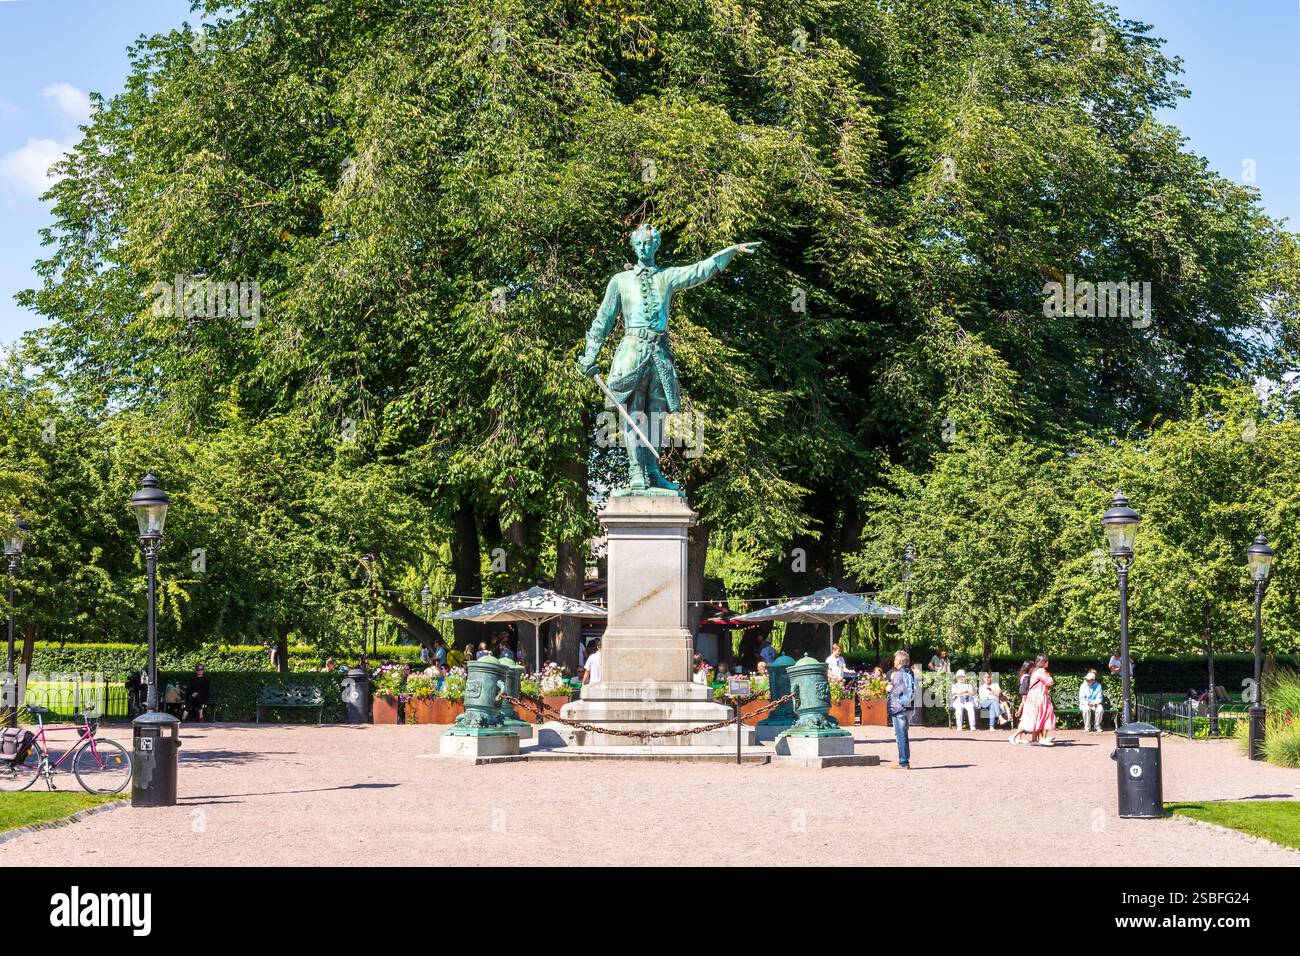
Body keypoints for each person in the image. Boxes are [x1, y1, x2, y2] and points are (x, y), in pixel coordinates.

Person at [1013, 654, 1056, 745]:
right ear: (1043, 662)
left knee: (1038, 716)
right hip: (1039, 697)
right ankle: (1042, 738)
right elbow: (1049, 682)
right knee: (1046, 714)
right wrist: (1049, 677)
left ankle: (1035, 740)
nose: (1048, 663)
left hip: (1035, 696)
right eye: (1047, 661)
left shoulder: (1035, 670)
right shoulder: (1041, 671)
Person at [887, 650, 915, 769]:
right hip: (908, 707)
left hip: (899, 708)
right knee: (904, 733)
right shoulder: (911, 672)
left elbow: (897, 691)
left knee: (900, 735)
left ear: (899, 661)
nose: (893, 661)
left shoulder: (898, 674)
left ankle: (903, 761)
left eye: (895, 660)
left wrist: (889, 688)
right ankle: (904, 760)